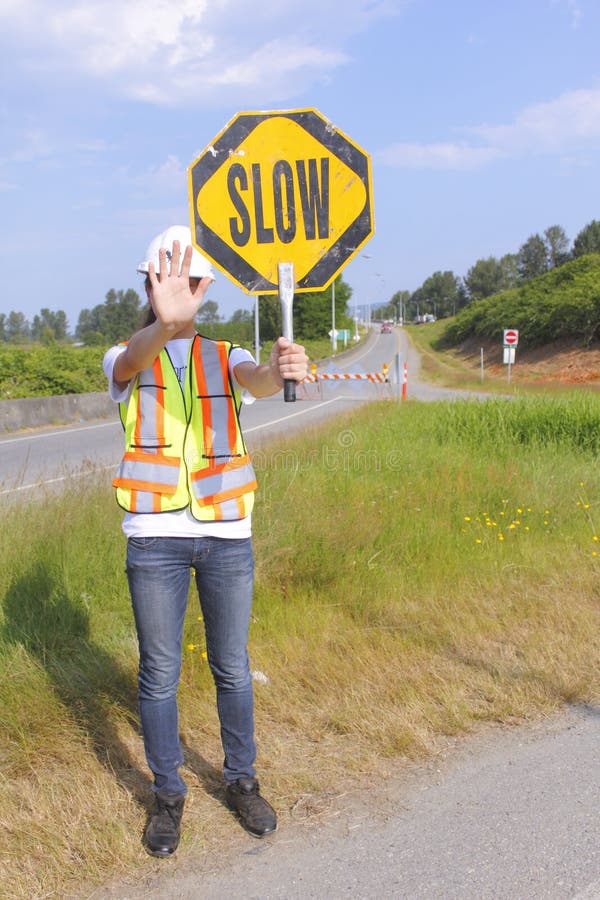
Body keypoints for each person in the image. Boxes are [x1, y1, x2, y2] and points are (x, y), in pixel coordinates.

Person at [103, 225, 308, 857]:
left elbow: (260, 381)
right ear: (151, 284)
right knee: (160, 674)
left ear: (205, 289)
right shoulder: (125, 354)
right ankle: (168, 795)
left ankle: (242, 782)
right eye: (172, 281)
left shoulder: (226, 353)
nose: (184, 292)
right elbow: (134, 361)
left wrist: (281, 368)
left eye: (194, 283)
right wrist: (164, 326)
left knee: (232, 667)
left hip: (226, 535)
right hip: (156, 537)